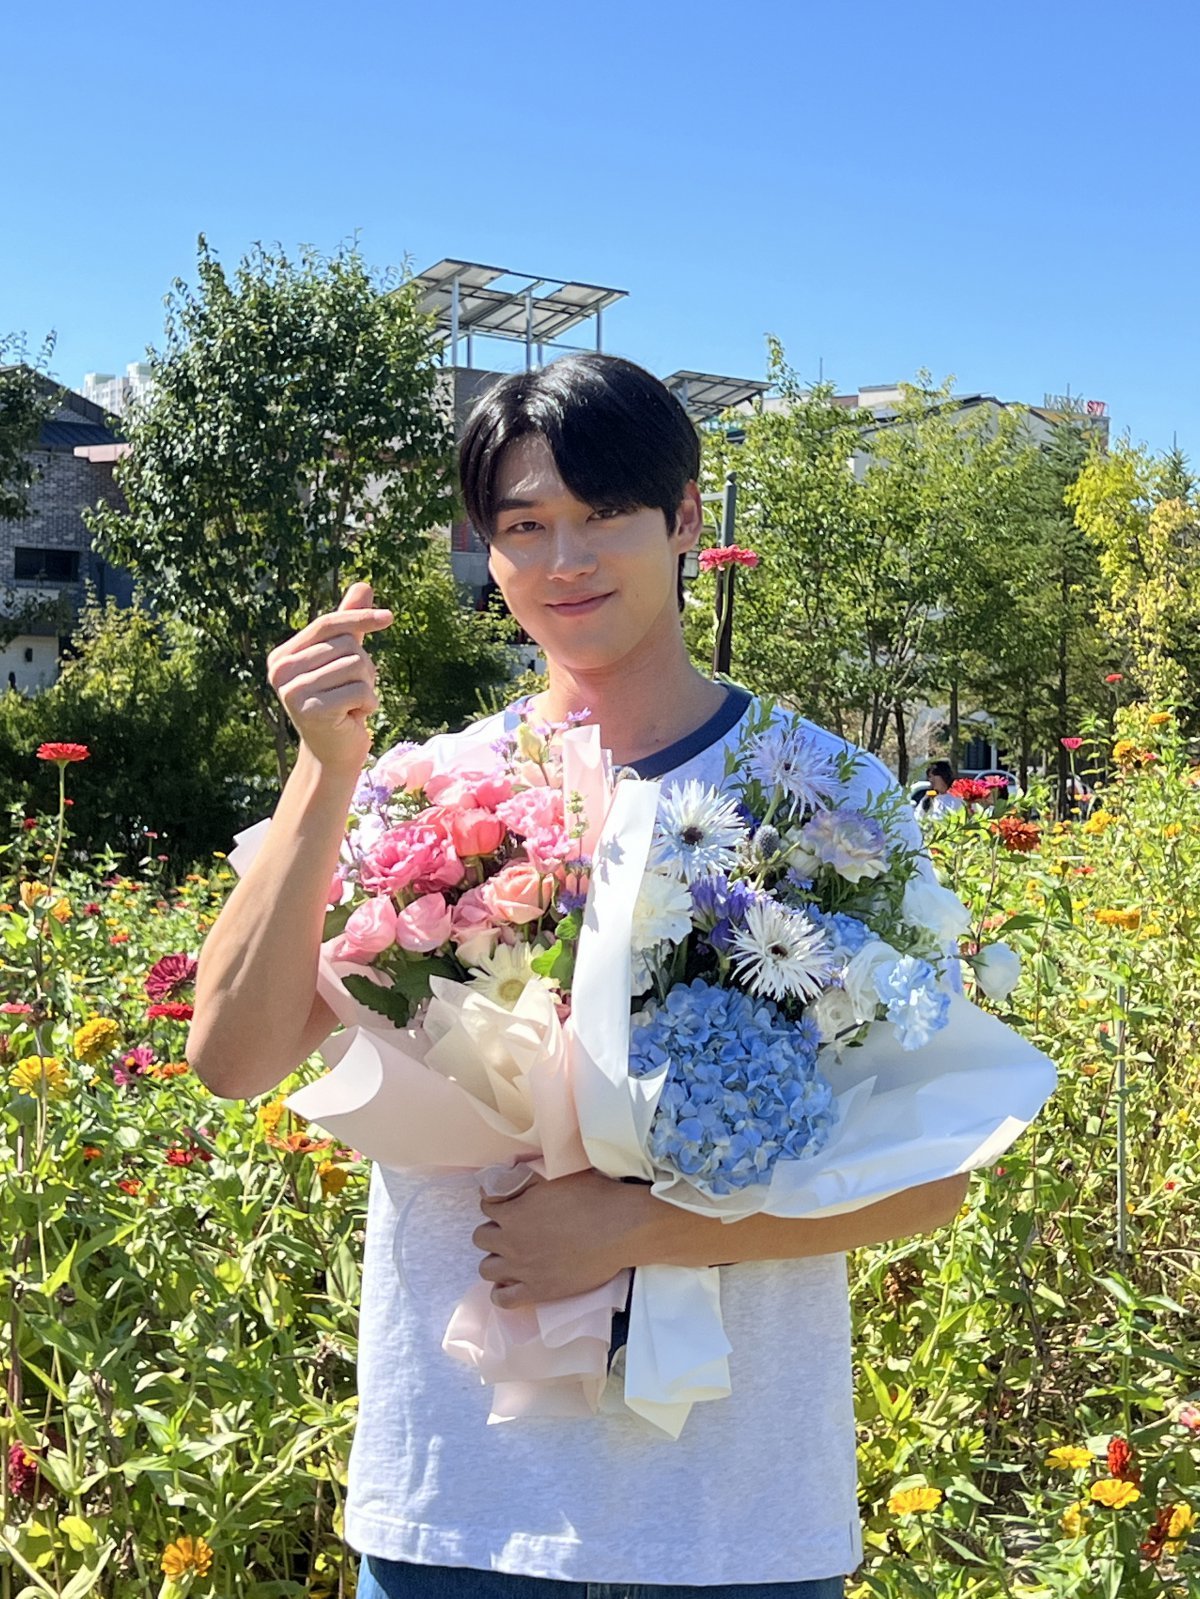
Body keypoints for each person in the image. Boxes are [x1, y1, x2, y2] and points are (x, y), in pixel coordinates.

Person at [188, 354, 968, 1599]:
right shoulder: (423, 794)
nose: (566, 561)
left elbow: (932, 1181)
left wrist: (643, 1225)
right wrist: (323, 773)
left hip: (734, 1524)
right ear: (486, 548)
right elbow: (232, 1061)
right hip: (459, 1510)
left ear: (686, 519)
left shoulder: (822, 800)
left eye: (605, 515)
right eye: (525, 527)